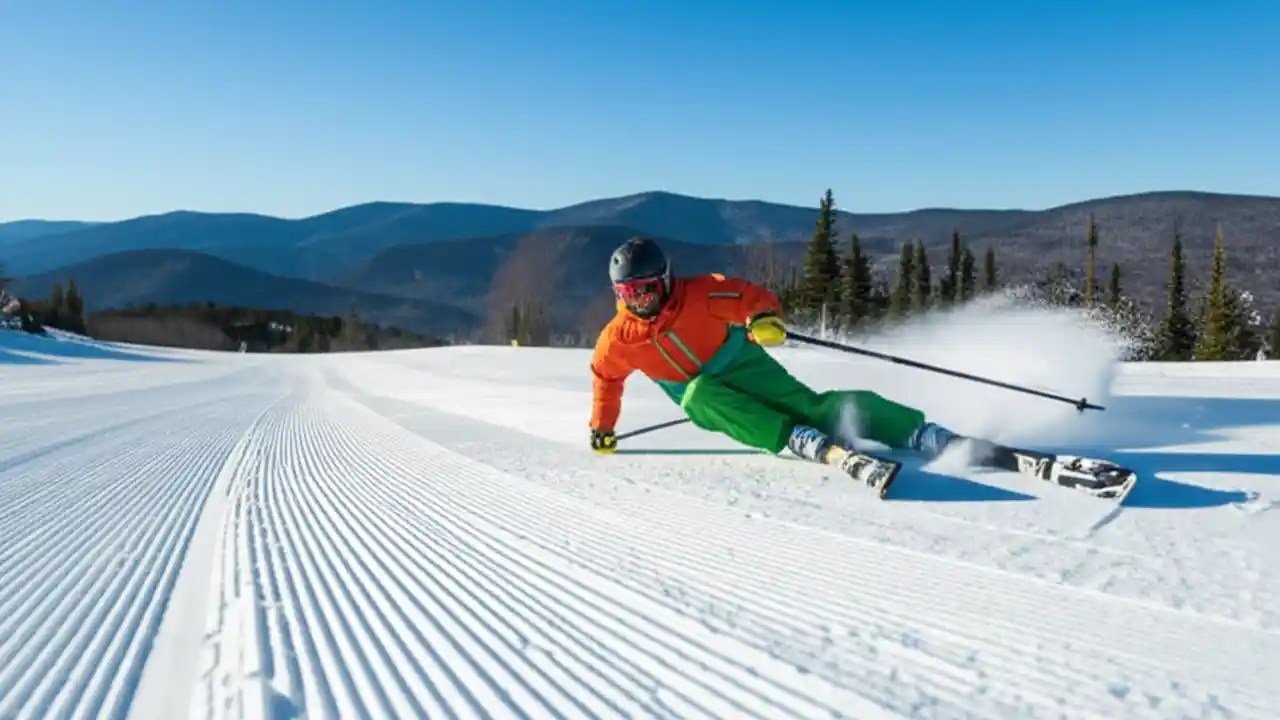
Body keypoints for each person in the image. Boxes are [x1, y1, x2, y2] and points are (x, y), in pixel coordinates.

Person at [587, 235, 962, 471]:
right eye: (627, 293)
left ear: (665, 280)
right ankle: (791, 438)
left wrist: (761, 317)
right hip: (706, 396)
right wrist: (602, 428)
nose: (638, 300)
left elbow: (748, 297)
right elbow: (606, 379)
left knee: (813, 408)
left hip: (740, 362)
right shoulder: (618, 338)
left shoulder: (699, 293)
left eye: (646, 289)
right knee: (697, 396)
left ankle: (915, 431)